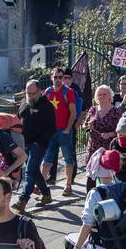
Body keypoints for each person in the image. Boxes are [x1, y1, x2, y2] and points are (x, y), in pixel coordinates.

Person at [14, 79, 55, 212]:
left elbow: (52, 128)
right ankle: (46, 194)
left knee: (29, 171)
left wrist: (41, 141)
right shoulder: (24, 103)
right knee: (34, 171)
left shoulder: (47, 106)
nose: (30, 96)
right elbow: (17, 119)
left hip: (39, 144)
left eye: (33, 93)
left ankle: (23, 200)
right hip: (25, 143)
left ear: (39, 91)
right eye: (28, 93)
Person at [41, 68, 79, 197]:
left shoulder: (68, 92)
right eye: (55, 76)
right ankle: (41, 185)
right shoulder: (48, 91)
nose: (58, 79)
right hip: (51, 132)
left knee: (68, 159)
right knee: (47, 159)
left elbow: (73, 113)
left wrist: (68, 129)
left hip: (64, 131)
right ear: (52, 77)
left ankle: (68, 185)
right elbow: (44, 112)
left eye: (60, 77)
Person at [82, 85, 122, 192]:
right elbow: (84, 125)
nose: (102, 96)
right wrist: (87, 126)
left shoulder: (116, 111)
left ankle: (107, 200)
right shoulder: (93, 109)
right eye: (99, 94)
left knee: (107, 177)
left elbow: (120, 131)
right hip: (93, 147)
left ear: (110, 96)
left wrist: (110, 134)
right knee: (91, 176)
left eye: (104, 94)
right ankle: (89, 202)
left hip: (108, 148)